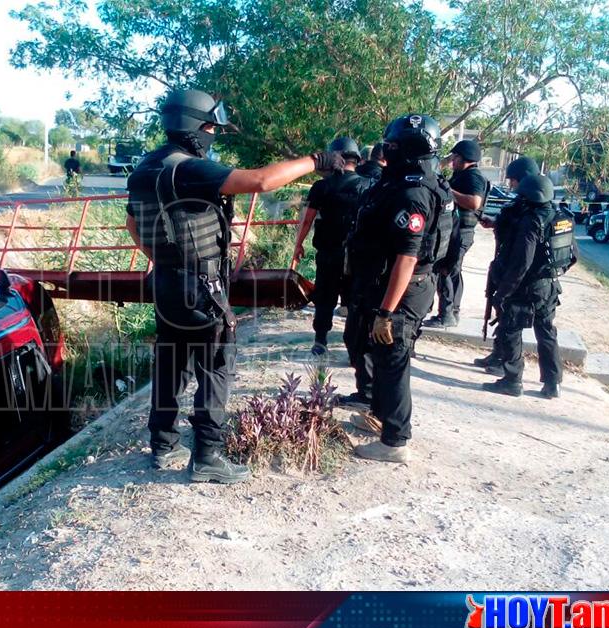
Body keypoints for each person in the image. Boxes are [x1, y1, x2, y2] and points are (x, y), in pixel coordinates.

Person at [125, 88, 344, 483]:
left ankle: (163, 445)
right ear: (195, 126)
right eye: (211, 126)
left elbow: (132, 226)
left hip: (165, 281)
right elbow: (260, 181)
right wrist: (315, 161)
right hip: (200, 284)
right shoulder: (188, 168)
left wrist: (166, 258)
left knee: (170, 361)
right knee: (216, 363)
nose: (213, 134)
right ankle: (207, 456)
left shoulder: (146, 167)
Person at [347, 114, 453, 463]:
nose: (386, 152)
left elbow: (406, 257)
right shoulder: (412, 180)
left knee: (392, 359)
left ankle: (395, 442)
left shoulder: (414, 193)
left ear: (407, 150)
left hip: (402, 290)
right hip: (391, 284)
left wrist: (386, 313)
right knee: (380, 354)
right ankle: (380, 416)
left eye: (391, 147)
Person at [481, 174, 572, 399]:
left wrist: (502, 292)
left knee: (510, 328)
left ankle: (512, 380)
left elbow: (521, 263)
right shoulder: (560, 217)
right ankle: (553, 383)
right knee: (546, 332)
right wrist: (549, 272)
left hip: (526, 287)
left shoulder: (531, 221)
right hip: (549, 286)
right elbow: (573, 256)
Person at [293, 136, 373, 356]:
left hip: (328, 252)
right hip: (356, 255)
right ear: (356, 159)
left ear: (334, 158)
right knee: (354, 300)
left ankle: (320, 340)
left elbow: (307, 220)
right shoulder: (368, 186)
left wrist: (298, 245)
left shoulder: (321, 186)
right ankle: (353, 346)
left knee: (325, 296)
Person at [472, 156, 540, 374]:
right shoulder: (521, 204)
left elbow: (523, 248)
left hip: (516, 273)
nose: (511, 186)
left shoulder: (534, 208)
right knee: (501, 314)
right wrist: (494, 223)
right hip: (504, 265)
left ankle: (505, 366)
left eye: (514, 181)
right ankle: (497, 355)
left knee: (509, 318)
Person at [424, 140, 488, 328]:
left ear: (464, 158)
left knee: (446, 270)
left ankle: (447, 315)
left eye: (456, 157)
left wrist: (448, 192)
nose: (452, 161)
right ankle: (452, 312)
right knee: (453, 271)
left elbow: (475, 202)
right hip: (456, 231)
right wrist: (445, 161)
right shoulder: (463, 174)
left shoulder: (473, 176)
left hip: (461, 233)